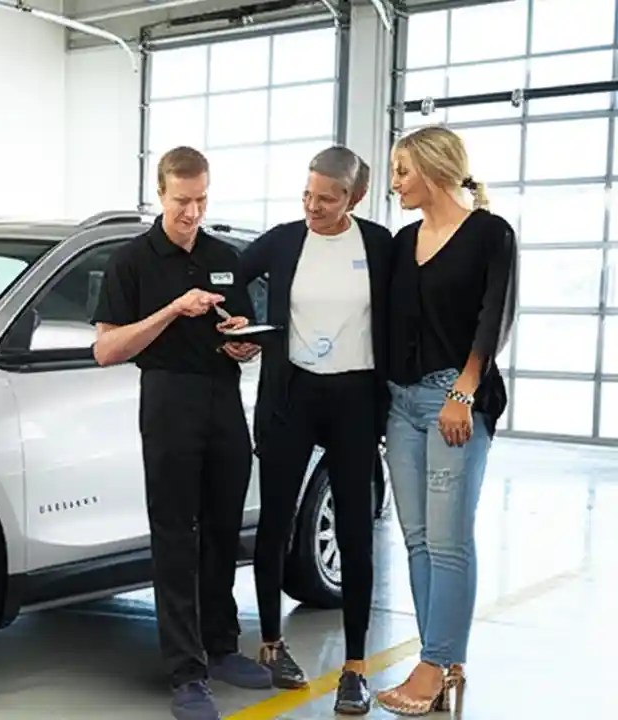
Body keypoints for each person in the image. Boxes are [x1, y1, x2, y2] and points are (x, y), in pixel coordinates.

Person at [91, 146, 273, 720]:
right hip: (168, 399)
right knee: (175, 535)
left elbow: (241, 330)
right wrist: (171, 310)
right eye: (181, 202)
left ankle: (220, 645)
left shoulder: (224, 256)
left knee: (224, 529)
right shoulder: (132, 262)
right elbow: (106, 349)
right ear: (159, 194)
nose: (192, 212)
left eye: (201, 200)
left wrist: (243, 340)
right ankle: (185, 673)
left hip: (223, 398)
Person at [232, 145, 394, 715]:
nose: (314, 207)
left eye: (327, 199)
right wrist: (240, 328)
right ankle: (272, 646)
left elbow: (403, 311)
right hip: (291, 394)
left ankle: (354, 666)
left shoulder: (377, 245)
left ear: (354, 196)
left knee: (354, 527)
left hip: (355, 398)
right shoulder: (282, 240)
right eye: (307, 195)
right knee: (275, 521)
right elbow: (234, 275)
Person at [374, 126, 517, 715]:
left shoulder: (490, 233)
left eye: (401, 170)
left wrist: (464, 389)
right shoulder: (405, 240)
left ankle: (434, 666)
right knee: (417, 540)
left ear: (432, 168)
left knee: (449, 541)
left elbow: (495, 315)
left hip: (453, 400)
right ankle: (442, 662)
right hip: (402, 403)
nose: (395, 182)